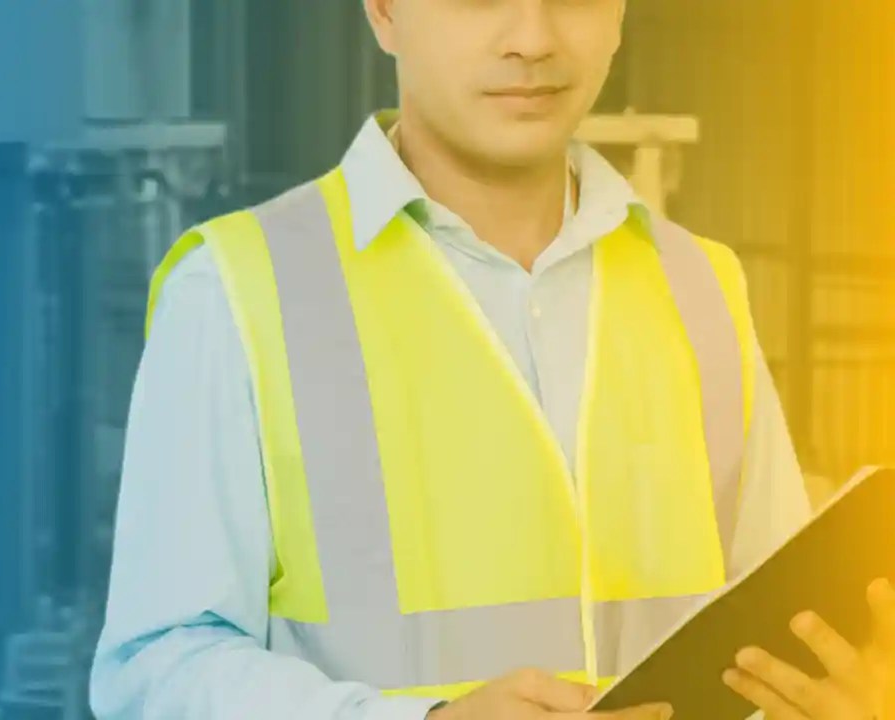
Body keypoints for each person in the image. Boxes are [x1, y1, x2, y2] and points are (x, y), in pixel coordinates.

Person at [90, 1, 895, 718]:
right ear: (383, 11)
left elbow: (783, 634)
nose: (533, 37)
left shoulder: (701, 285)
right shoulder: (239, 287)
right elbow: (155, 669)